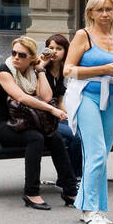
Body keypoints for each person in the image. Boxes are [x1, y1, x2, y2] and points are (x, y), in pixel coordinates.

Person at [64, 0, 113, 224]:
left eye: (109, 9)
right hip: (87, 97)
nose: (105, 14)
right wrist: (101, 69)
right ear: (90, 13)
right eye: (100, 10)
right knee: (95, 152)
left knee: (102, 154)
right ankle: (91, 210)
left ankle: (91, 206)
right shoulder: (83, 36)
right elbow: (68, 70)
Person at [0, 35, 76, 211]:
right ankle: (31, 192)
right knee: (36, 138)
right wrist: (52, 110)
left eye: (22, 55)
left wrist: (40, 70)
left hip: (22, 121)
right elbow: (21, 97)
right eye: (14, 53)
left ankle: (70, 190)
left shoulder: (33, 72)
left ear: (32, 58)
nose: (16, 57)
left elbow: (47, 96)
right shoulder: (3, 72)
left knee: (54, 137)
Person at [38, 34, 81, 180]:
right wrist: (41, 67)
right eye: (50, 48)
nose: (54, 51)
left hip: (56, 116)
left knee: (78, 133)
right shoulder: (40, 68)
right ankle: (73, 177)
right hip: (42, 117)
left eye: (59, 48)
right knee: (75, 137)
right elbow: (43, 98)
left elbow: (60, 101)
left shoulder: (63, 71)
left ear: (65, 51)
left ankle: (67, 178)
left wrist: (70, 115)